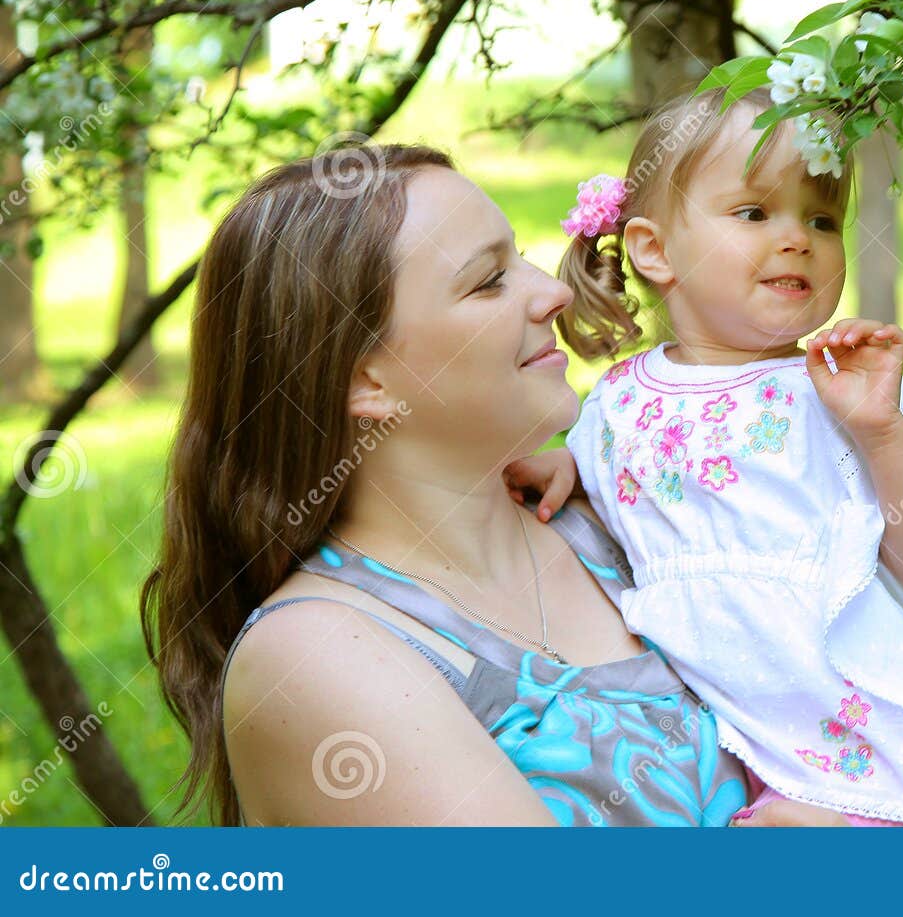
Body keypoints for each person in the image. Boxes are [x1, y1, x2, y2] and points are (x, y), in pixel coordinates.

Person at [140, 144, 842, 826]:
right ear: (365, 378)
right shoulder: (311, 656)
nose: (556, 292)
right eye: (487, 280)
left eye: (523, 257)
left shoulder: (618, 523)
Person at [542, 88, 903, 825]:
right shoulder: (618, 400)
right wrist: (568, 473)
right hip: (711, 748)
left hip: (857, 745)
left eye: (822, 219)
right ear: (653, 249)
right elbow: (603, 480)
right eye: (755, 212)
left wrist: (882, 434)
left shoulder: (847, 393)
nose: (798, 238)